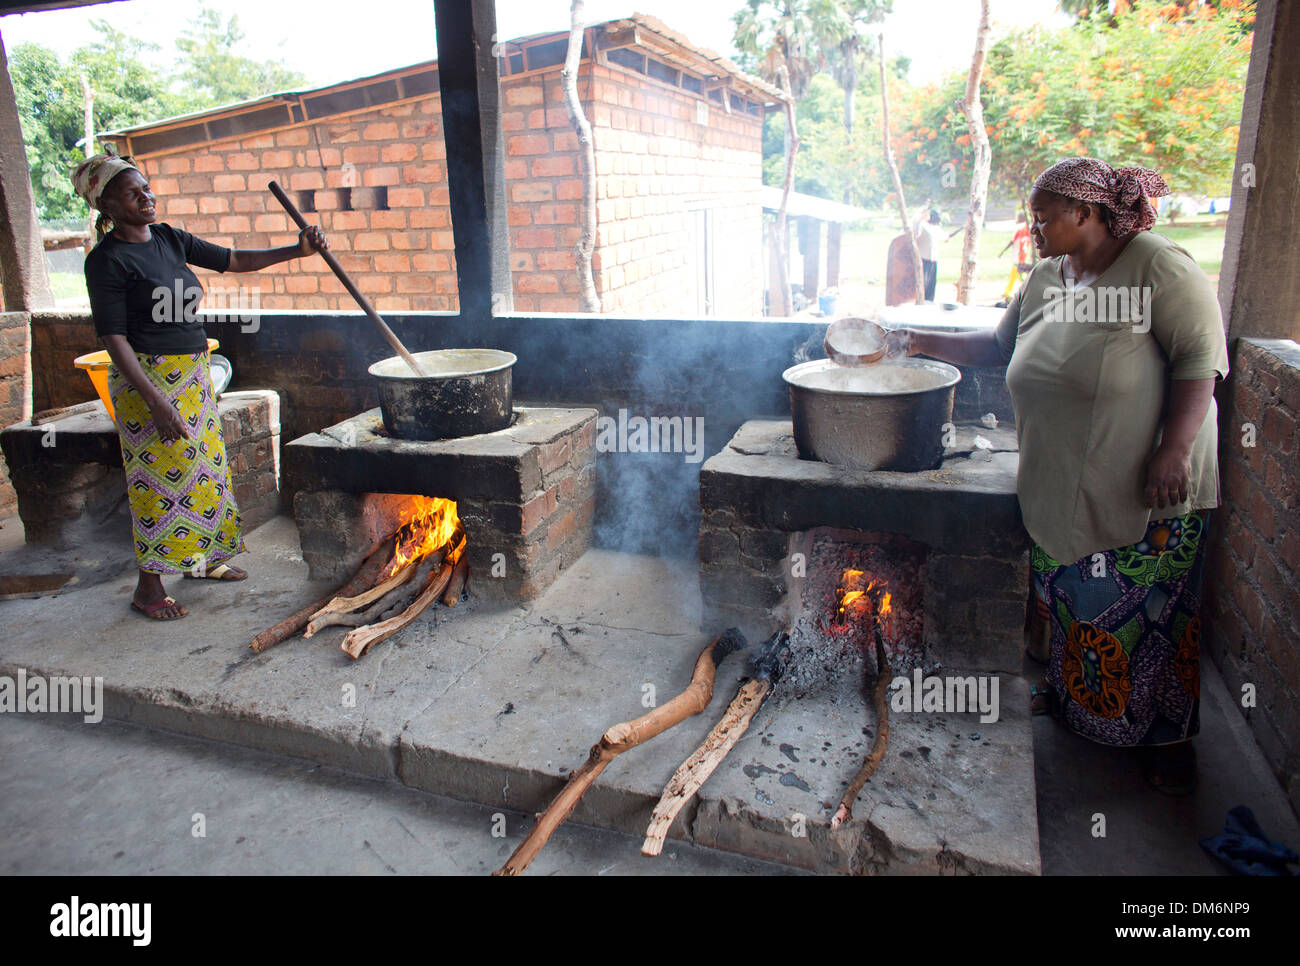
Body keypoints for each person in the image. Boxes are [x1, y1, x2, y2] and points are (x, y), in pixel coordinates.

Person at [883, 158, 1227, 795]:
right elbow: (995, 347)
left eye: (1043, 217)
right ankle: (1080, 707)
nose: (1032, 227)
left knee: (1153, 616)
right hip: (1061, 473)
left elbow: (1200, 361)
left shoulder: (1157, 266)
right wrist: (909, 338)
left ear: (1088, 215)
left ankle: (1165, 741)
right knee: (1075, 603)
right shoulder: (1045, 277)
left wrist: (1173, 452)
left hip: (1143, 482)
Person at [73, 151, 328, 620]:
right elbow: (114, 338)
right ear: (106, 205)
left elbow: (233, 260)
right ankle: (147, 589)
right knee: (157, 484)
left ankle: (202, 562)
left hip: (191, 375)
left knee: (204, 472)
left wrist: (298, 250)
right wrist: (156, 403)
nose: (146, 197)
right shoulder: (106, 262)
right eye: (132, 193)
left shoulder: (169, 238)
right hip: (147, 382)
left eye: (146, 187)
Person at [998, 212, 1034, 303]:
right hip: (1021, 257)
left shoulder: (1021, 229)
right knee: (1017, 275)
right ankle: (1009, 292)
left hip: (1019, 257)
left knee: (1019, 275)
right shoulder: (1029, 229)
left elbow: (1012, 241)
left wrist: (1003, 251)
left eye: (1018, 218)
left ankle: (1012, 292)